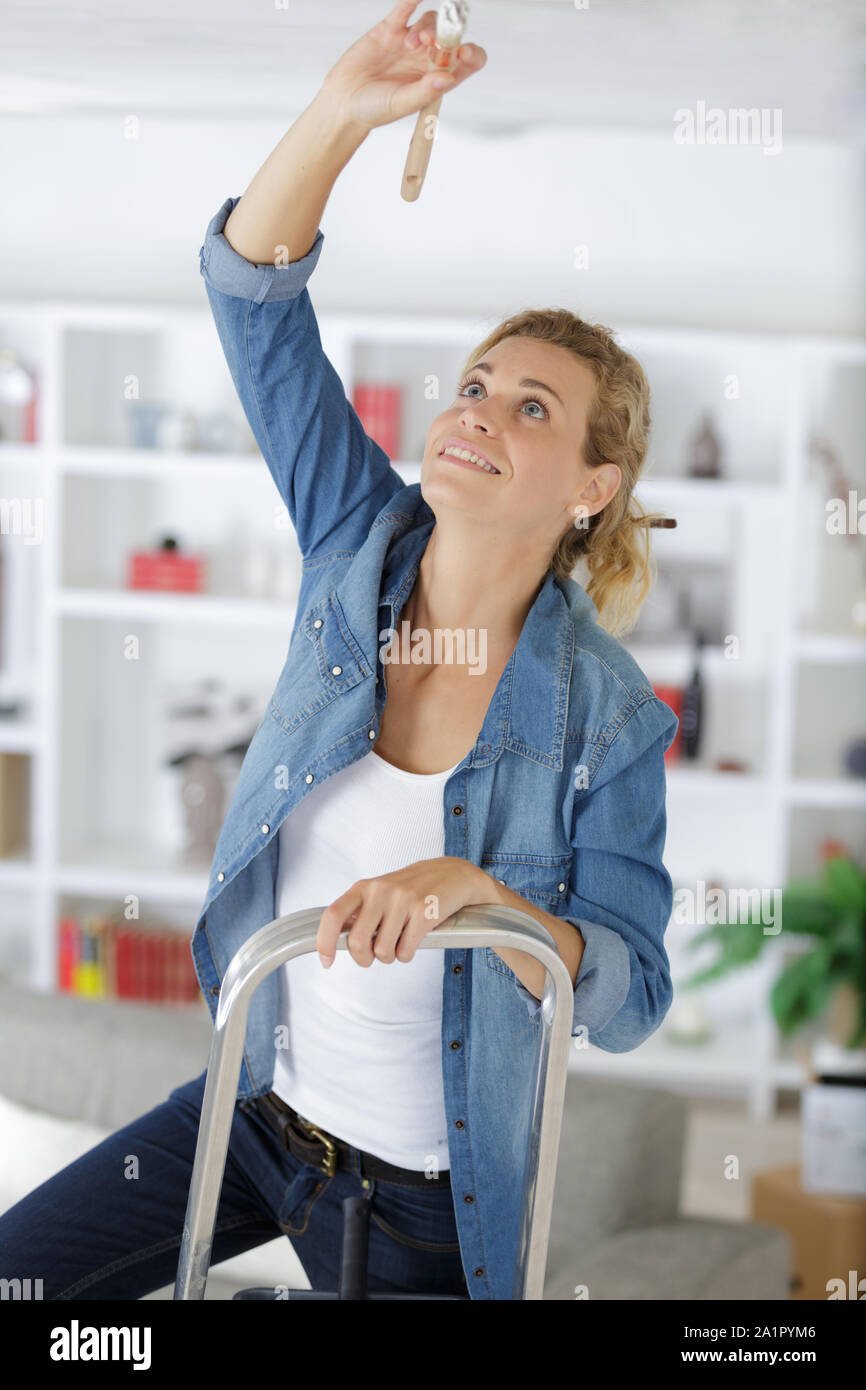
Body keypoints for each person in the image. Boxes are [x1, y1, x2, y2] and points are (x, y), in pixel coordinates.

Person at [0, 1, 677, 1302]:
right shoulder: (350, 544)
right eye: (476, 382)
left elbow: (632, 981)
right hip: (256, 1116)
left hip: (433, 1192)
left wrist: (486, 903)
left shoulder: (609, 715)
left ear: (590, 485)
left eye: (530, 406)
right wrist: (340, 108)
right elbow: (252, 295)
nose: (478, 410)